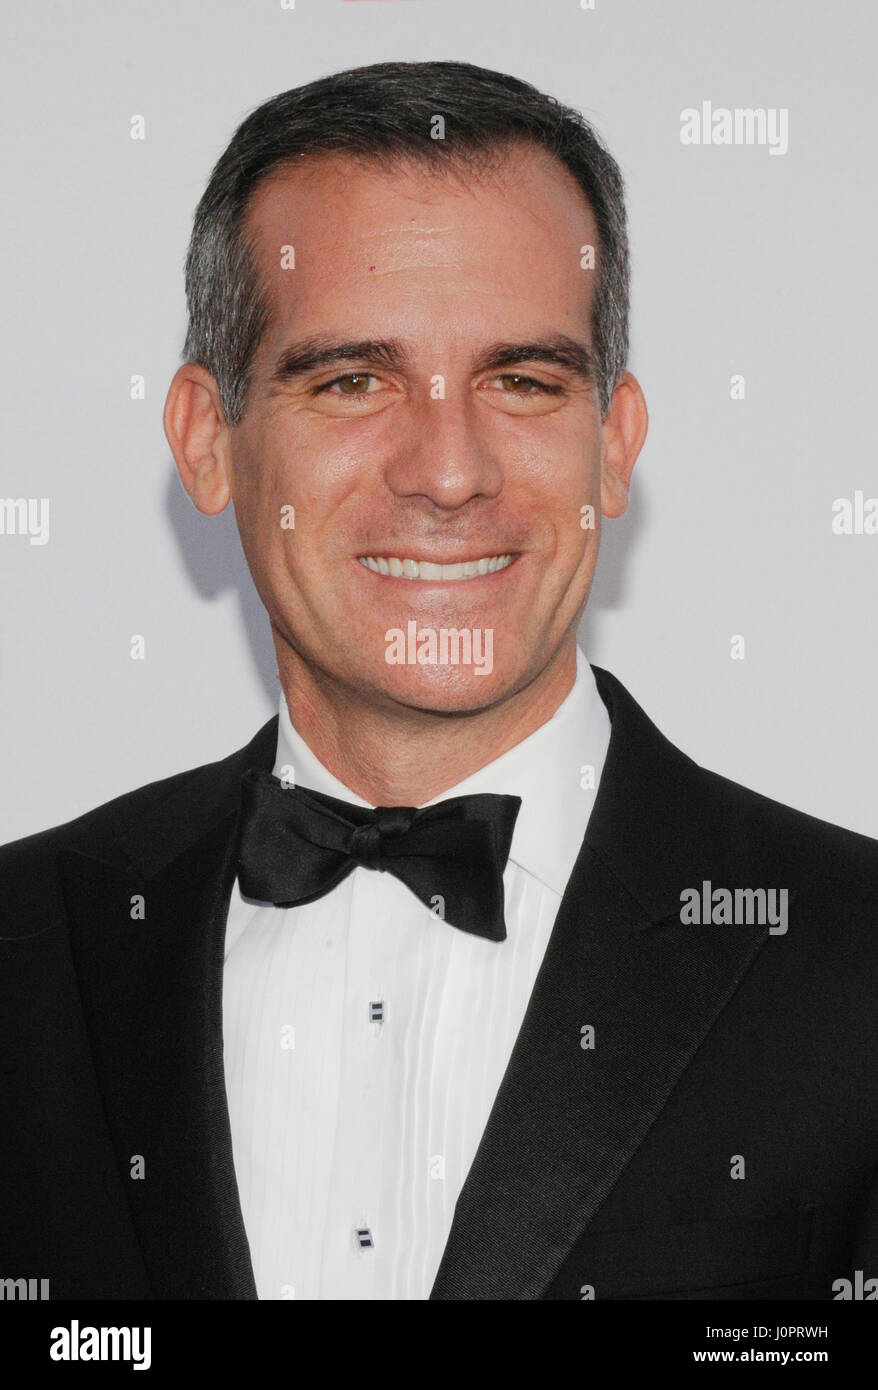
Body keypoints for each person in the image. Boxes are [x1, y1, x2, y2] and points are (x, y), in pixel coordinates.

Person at [2, 60, 876, 1302]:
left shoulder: (850, 958)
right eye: (351, 380)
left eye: (521, 381)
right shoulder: (25, 949)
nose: (449, 470)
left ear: (612, 444)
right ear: (209, 440)